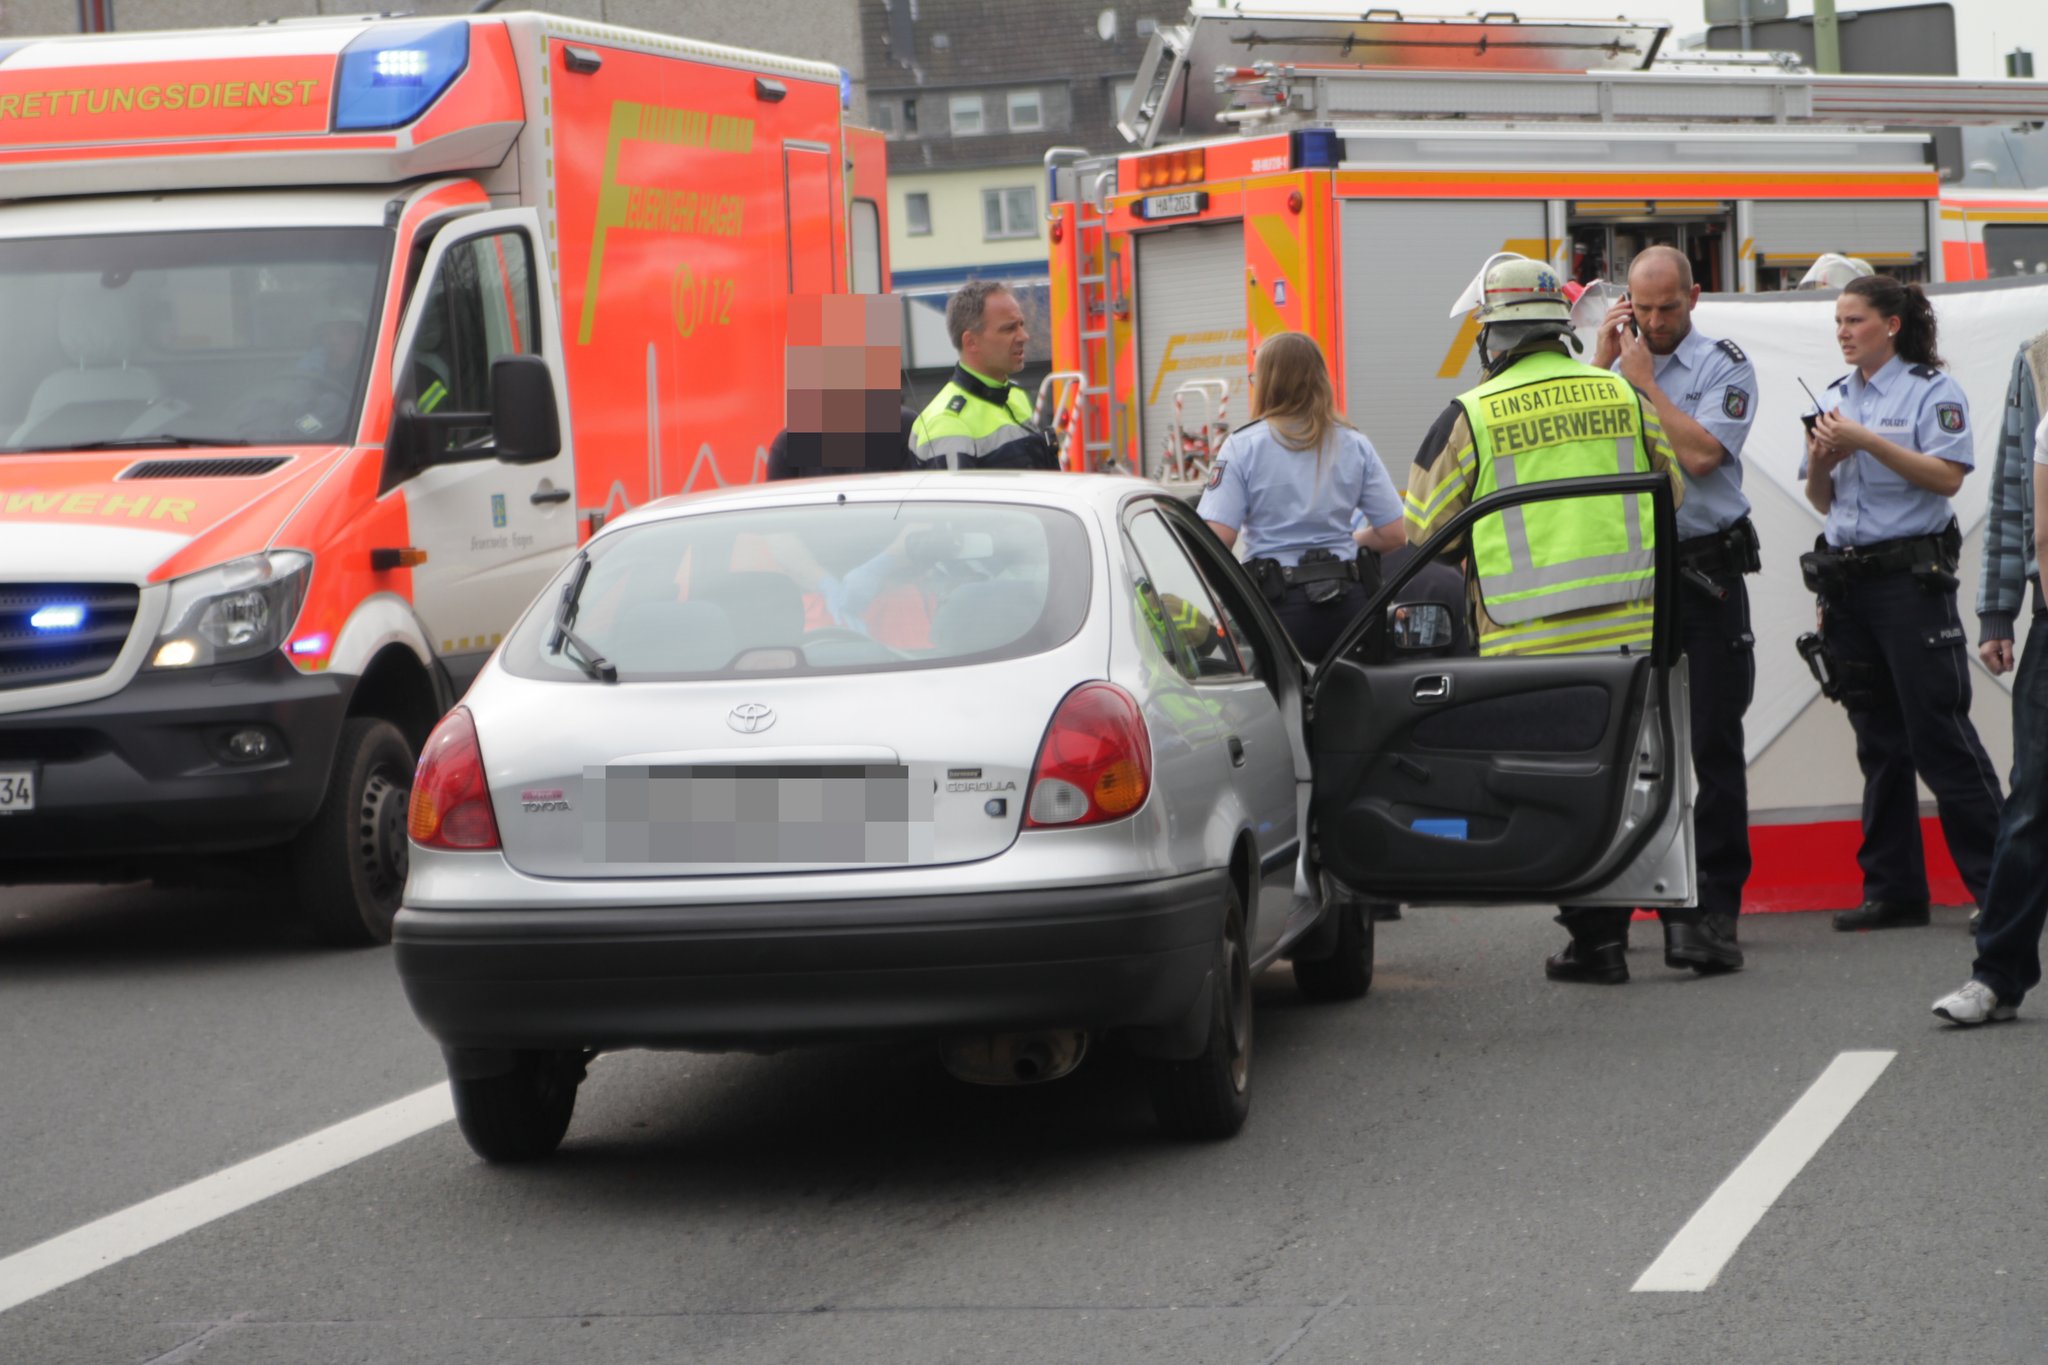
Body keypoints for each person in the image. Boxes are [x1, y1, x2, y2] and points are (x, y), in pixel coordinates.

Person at [1404, 253, 1705, 985]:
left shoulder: (1471, 414)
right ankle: (1685, 931)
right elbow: (1674, 494)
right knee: (1649, 778)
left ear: (1493, 340)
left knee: (1565, 791)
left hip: (1531, 642)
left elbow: (1420, 531)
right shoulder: (1621, 394)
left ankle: (1596, 942)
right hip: (1635, 631)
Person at [1800, 274, 2004, 932]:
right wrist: (1825, 457)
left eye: (1854, 320)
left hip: (1909, 583)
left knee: (1939, 734)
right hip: (1850, 584)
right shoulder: (1834, 397)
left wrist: (1867, 442)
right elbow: (1821, 500)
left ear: (1890, 325)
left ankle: (2001, 886)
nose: (1842, 332)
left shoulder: (1929, 390)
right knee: (1878, 741)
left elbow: (1948, 475)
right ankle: (1894, 889)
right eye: (1837, 321)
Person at [1591, 244, 1758, 962]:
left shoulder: (1725, 364)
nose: (1656, 322)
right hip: (1632, 581)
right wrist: (1600, 371)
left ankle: (1713, 913)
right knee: (1627, 753)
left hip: (1705, 575)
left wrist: (1646, 384)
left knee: (1712, 746)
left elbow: (1701, 455)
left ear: (1694, 297)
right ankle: (1609, 916)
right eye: (1644, 308)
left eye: (1669, 307)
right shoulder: (1612, 363)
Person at [1930, 399, 2048, 1024]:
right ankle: (1997, 975)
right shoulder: (2038, 363)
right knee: (2032, 802)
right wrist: (1998, 611)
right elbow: (2018, 509)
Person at [1197, 331, 1404, 665]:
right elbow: (1394, 534)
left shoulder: (1243, 446)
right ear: (1320, 379)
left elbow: (1216, 540)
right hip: (1350, 606)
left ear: (1266, 383)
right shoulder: (1354, 443)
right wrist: (1349, 541)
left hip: (1275, 610)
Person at [910, 281, 1060, 471]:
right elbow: (957, 501)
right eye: (1009, 329)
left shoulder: (1013, 394)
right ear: (971, 342)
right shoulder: (948, 422)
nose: (1024, 336)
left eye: (1021, 325)